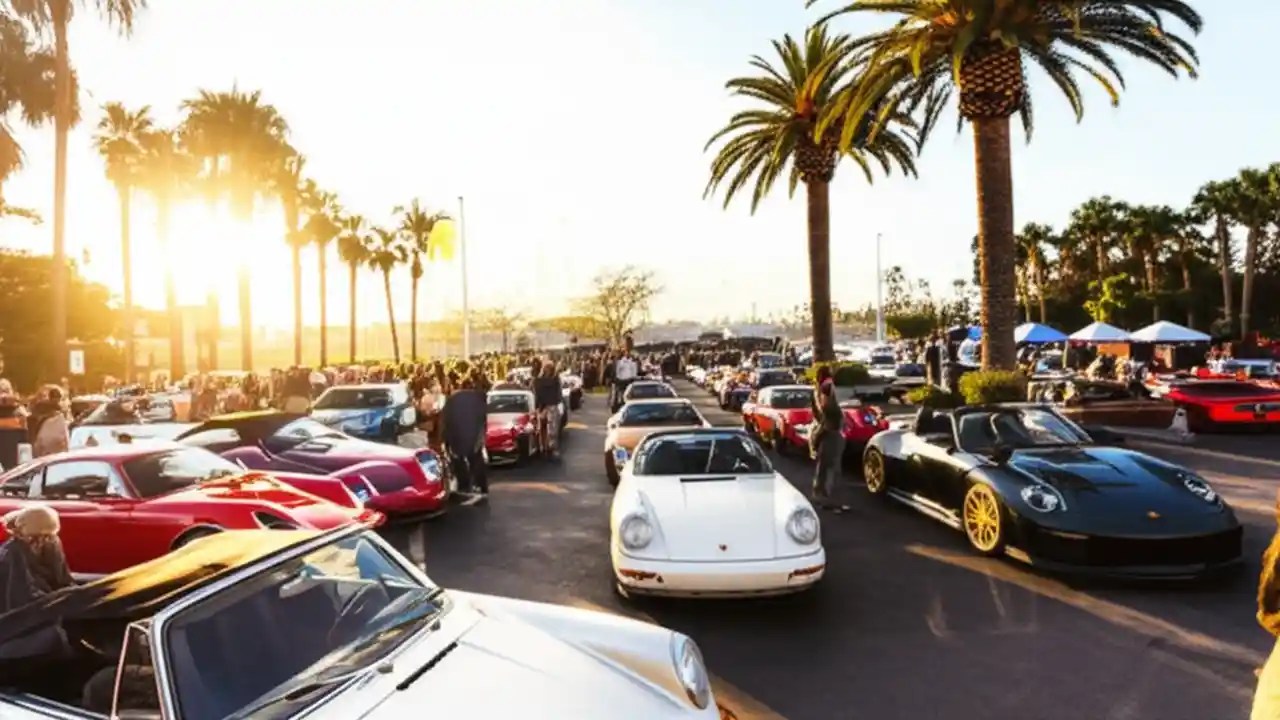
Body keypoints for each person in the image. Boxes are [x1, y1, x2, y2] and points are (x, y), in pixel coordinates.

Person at [441, 378, 489, 504]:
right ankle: (481, 486)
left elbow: (446, 421)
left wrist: (448, 440)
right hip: (474, 434)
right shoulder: (478, 399)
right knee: (476, 459)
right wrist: (481, 436)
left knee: (458, 460)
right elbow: (483, 419)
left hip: (457, 435)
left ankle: (464, 486)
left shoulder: (452, 400)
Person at [810, 380, 849, 513]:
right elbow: (823, 425)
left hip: (832, 439)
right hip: (830, 439)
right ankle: (825, 500)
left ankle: (827, 500)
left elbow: (824, 424)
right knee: (827, 471)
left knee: (828, 471)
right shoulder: (830, 408)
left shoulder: (831, 408)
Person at [532, 362, 563, 458]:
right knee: (552, 429)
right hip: (552, 406)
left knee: (542, 428)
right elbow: (558, 395)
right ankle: (551, 448)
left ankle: (543, 447)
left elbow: (536, 395)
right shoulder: (555, 380)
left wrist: (537, 407)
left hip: (542, 407)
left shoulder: (537, 381)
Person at [27, 387, 68, 458]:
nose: (57, 400)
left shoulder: (41, 405)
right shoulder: (58, 411)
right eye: (56, 398)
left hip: (40, 438)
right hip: (46, 439)